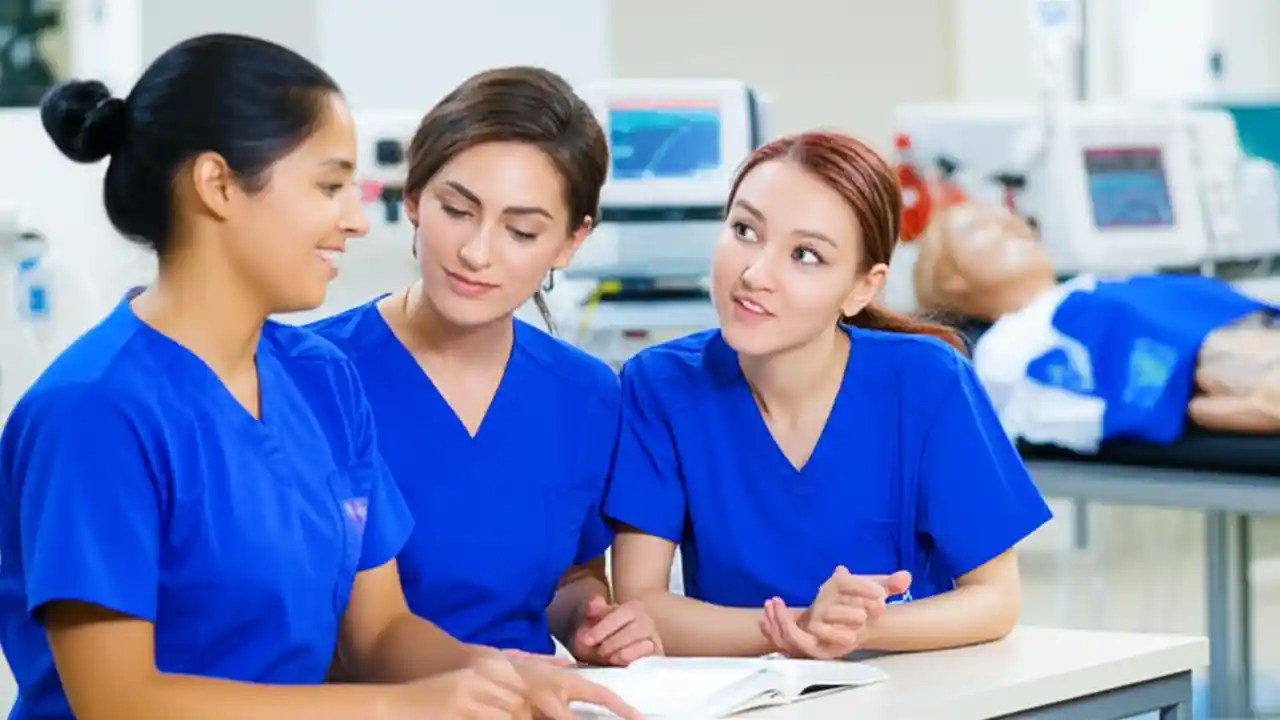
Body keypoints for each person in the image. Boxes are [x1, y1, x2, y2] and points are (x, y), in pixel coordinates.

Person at [0, 34, 634, 720]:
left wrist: (504, 679)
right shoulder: (93, 411)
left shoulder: (321, 381)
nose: (357, 220)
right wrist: (407, 708)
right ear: (218, 186)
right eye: (329, 186)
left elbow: (380, 631)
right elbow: (119, 701)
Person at [603, 130, 1055, 659]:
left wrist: (861, 628)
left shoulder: (926, 382)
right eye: (744, 230)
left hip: (911, 693)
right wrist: (802, 627)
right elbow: (641, 606)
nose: (755, 274)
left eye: (806, 255)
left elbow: (995, 599)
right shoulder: (660, 386)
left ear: (862, 288)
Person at [306, 66, 660, 667]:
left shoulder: (585, 395)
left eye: (521, 231)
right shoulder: (309, 375)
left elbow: (573, 575)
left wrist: (590, 620)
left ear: (571, 242)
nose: (477, 253)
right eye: (457, 209)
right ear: (414, 197)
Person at [912, 198, 1280, 443]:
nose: (1012, 225)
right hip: (1206, 365)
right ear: (951, 281)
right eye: (980, 229)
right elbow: (1054, 415)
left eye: (1008, 218)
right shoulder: (1008, 345)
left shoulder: (1099, 284)